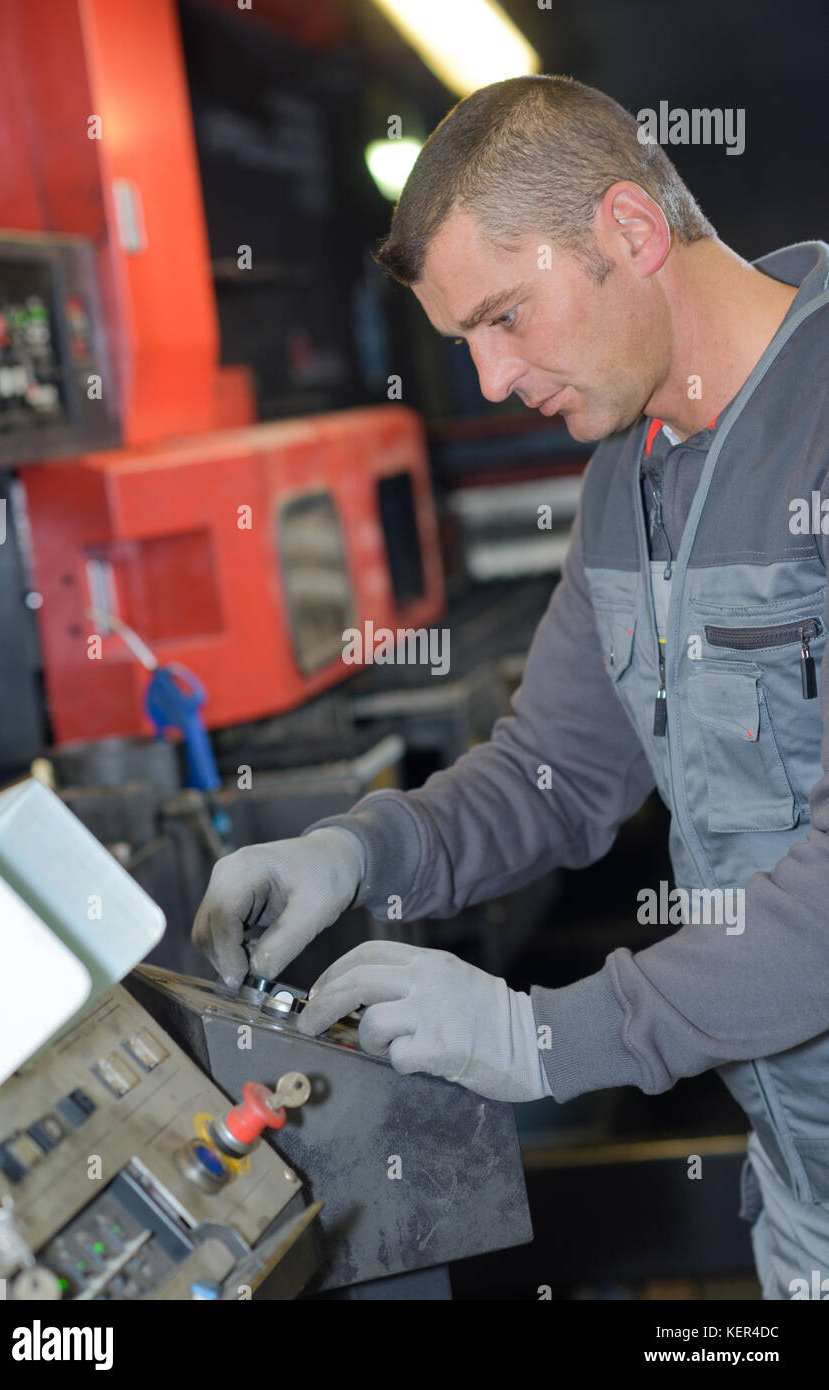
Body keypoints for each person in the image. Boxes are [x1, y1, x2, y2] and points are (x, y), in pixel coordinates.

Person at [192, 75, 829, 1299]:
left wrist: (543, 1040)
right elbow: (554, 773)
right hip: (802, 1192)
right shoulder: (626, 482)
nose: (487, 381)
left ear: (632, 234)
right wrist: (359, 849)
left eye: (505, 316)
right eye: (462, 343)